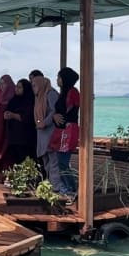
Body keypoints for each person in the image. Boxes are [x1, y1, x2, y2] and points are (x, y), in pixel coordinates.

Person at [48, 67, 81, 196]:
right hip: (61, 130)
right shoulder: (63, 92)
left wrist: (59, 117)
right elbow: (59, 112)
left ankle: (71, 188)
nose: (57, 79)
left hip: (68, 131)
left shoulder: (72, 92)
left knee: (63, 162)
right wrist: (54, 116)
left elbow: (71, 111)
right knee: (60, 162)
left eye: (59, 77)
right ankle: (68, 187)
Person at [1, 78, 37, 174]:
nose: (16, 89)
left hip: (25, 138)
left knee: (25, 159)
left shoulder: (30, 101)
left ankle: (28, 180)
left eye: (20, 87)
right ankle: (19, 180)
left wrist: (13, 115)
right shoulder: (13, 100)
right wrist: (6, 114)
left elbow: (28, 117)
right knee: (15, 159)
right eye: (16, 86)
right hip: (13, 137)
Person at [32, 75, 60, 188]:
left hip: (50, 132)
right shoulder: (39, 96)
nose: (33, 88)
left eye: (35, 85)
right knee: (46, 162)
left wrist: (45, 122)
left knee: (53, 162)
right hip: (42, 133)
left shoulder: (50, 94)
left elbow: (54, 111)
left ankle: (56, 188)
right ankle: (50, 186)